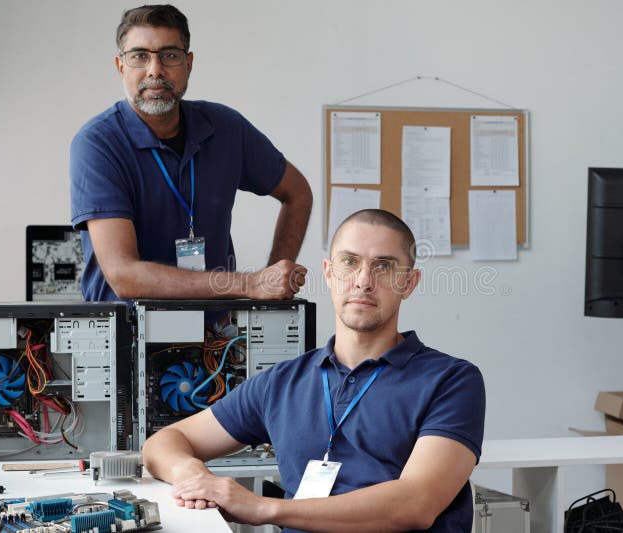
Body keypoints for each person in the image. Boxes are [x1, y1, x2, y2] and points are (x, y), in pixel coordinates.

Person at [142, 209, 486, 532]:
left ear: (408, 283)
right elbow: (163, 444)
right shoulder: (283, 382)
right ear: (329, 272)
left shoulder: (451, 381)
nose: (363, 281)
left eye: (383, 267)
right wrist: (192, 472)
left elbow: (416, 504)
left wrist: (263, 509)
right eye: (349, 262)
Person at [70, 4, 311, 302]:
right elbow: (125, 276)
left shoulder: (226, 127)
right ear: (121, 66)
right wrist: (251, 284)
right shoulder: (98, 143)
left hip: (214, 340)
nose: (155, 70)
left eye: (169, 55)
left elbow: (298, 192)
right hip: (127, 338)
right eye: (139, 56)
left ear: (189, 64)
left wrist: (275, 279)